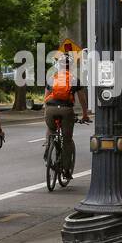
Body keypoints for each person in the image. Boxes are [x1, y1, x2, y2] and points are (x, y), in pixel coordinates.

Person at [43, 48, 91, 176]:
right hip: (66, 110)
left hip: (50, 109)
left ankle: (48, 148)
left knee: (50, 129)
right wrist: (85, 115)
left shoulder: (52, 78)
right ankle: (66, 169)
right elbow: (82, 100)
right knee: (67, 139)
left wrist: (47, 110)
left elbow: (46, 98)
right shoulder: (75, 79)